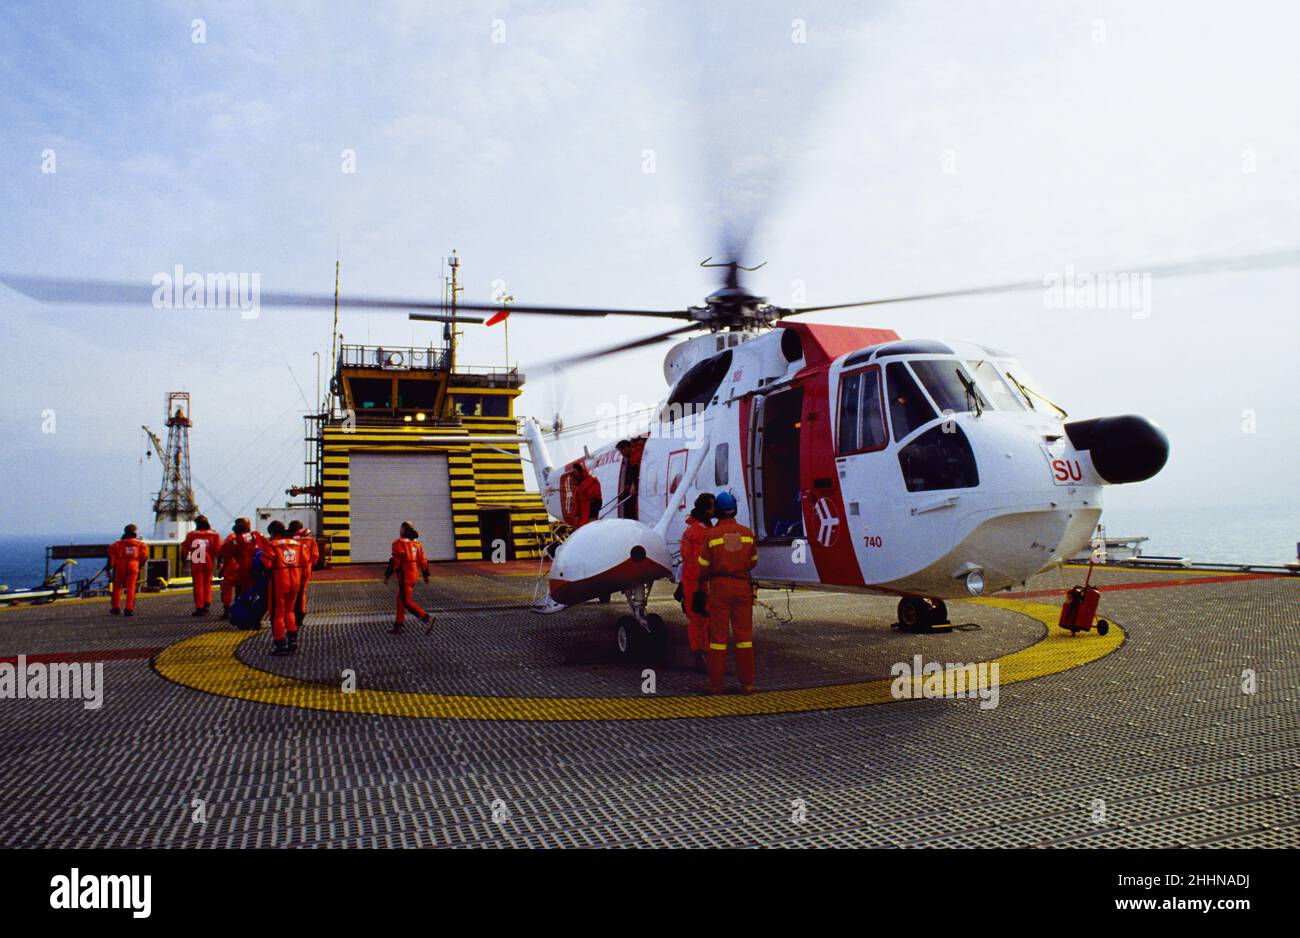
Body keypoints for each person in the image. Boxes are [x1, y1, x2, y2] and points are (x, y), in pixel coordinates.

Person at [695, 491, 759, 695]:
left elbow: (703, 566)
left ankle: (715, 684)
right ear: (735, 510)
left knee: (718, 638)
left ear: (718, 513)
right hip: (742, 586)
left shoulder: (711, 535)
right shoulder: (747, 534)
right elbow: (753, 561)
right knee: (744, 637)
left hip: (720, 587)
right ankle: (747, 683)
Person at [678, 493, 716, 672]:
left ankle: (702, 654)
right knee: (701, 620)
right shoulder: (699, 532)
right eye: (712, 506)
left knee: (700, 620)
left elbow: (686, 558)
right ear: (706, 509)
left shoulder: (695, 529)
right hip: (698, 583)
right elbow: (700, 561)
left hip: (694, 582)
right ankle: (702, 656)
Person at [260, 520, 303, 656]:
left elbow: (266, 564)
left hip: (279, 581)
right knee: (290, 611)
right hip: (295, 581)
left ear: (272, 533)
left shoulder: (272, 546)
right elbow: (305, 561)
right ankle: (293, 641)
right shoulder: (298, 544)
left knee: (277, 614)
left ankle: (280, 644)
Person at [384, 521, 433, 635]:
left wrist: (387, 575)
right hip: (414, 574)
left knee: (406, 601)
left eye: (401, 528)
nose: (399, 530)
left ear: (404, 530)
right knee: (400, 599)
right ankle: (398, 625)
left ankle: (427, 619)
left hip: (405, 574)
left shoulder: (398, 543)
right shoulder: (417, 543)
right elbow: (423, 560)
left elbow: (395, 561)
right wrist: (426, 575)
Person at [181, 515, 221, 616]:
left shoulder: (191, 535)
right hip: (209, 560)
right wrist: (220, 562)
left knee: (198, 584)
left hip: (197, 558)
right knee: (207, 582)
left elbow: (185, 548)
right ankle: (207, 602)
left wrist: (184, 560)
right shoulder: (214, 535)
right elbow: (218, 550)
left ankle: (200, 606)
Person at [107, 524, 149, 617]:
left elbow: (111, 556)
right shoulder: (140, 544)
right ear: (135, 532)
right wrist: (140, 565)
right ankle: (129, 609)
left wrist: (109, 567)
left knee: (117, 587)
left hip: (120, 564)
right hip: (133, 564)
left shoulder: (117, 544)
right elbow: (144, 556)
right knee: (131, 587)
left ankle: (116, 608)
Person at [218, 518, 256, 619]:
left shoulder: (232, 538)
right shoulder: (253, 537)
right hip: (248, 568)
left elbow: (225, 553)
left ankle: (227, 610)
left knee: (227, 590)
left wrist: (222, 568)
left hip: (232, 567)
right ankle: (245, 610)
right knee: (245, 591)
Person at [287, 519, 319, 631]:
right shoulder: (310, 540)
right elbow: (315, 556)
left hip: (291, 570)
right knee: (302, 593)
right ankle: (299, 617)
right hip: (305, 570)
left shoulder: (290, 540)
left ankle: (290, 615)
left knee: (291, 593)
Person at [615, 438, 645, 519]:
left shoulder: (635, 452)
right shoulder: (638, 450)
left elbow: (635, 469)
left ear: (626, 447)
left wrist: (634, 485)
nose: (622, 455)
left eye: (622, 452)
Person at [571, 462, 602, 527]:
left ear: (580, 471)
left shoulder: (590, 481)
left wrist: (592, 517)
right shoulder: (578, 486)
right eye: (573, 472)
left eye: (575, 472)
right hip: (582, 519)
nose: (574, 474)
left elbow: (597, 500)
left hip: (588, 518)